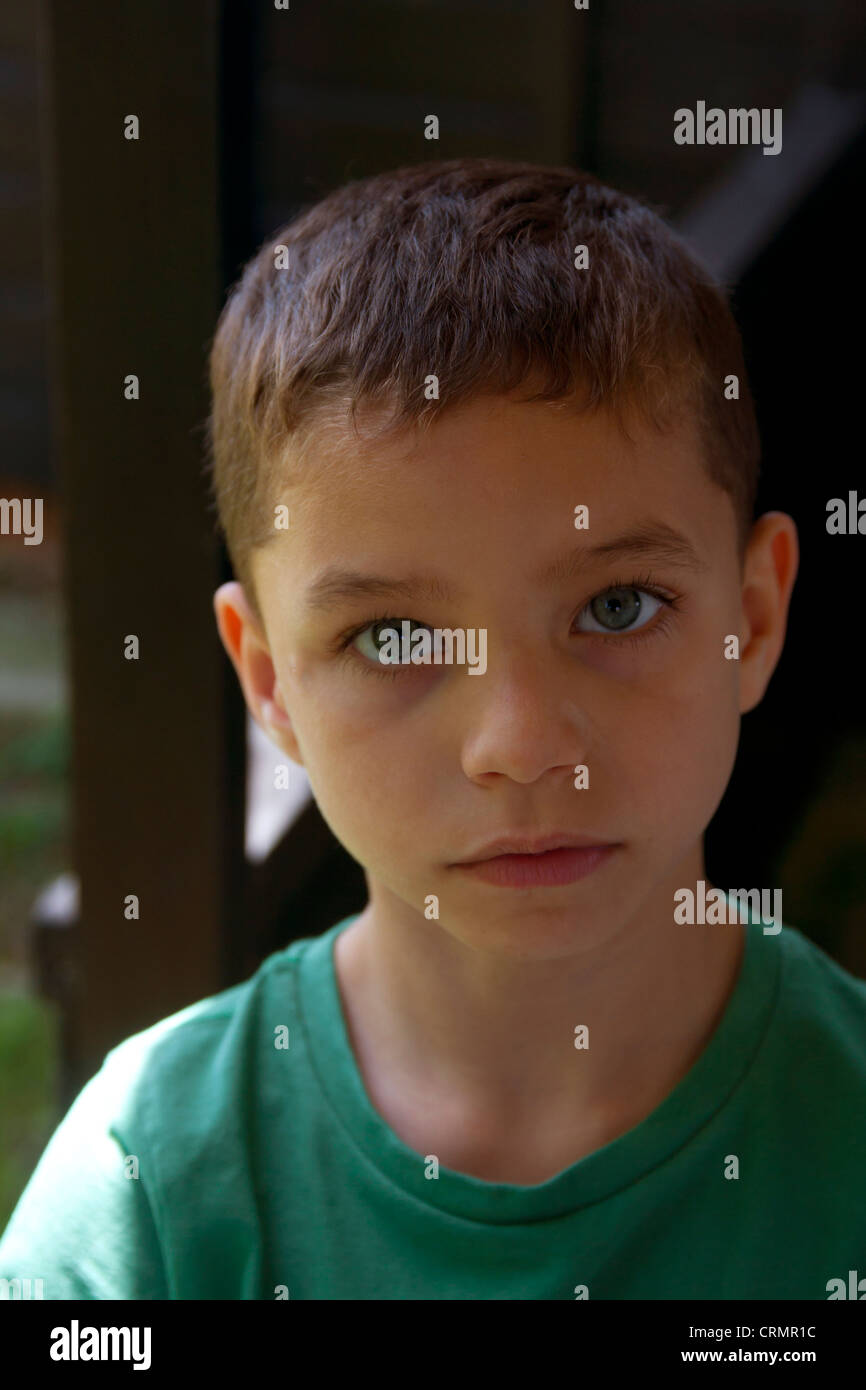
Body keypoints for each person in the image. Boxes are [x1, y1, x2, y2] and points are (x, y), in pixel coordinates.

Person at [2, 159, 864, 1300]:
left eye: (615, 608)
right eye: (394, 637)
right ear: (267, 684)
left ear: (751, 621)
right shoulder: (142, 1197)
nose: (514, 740)